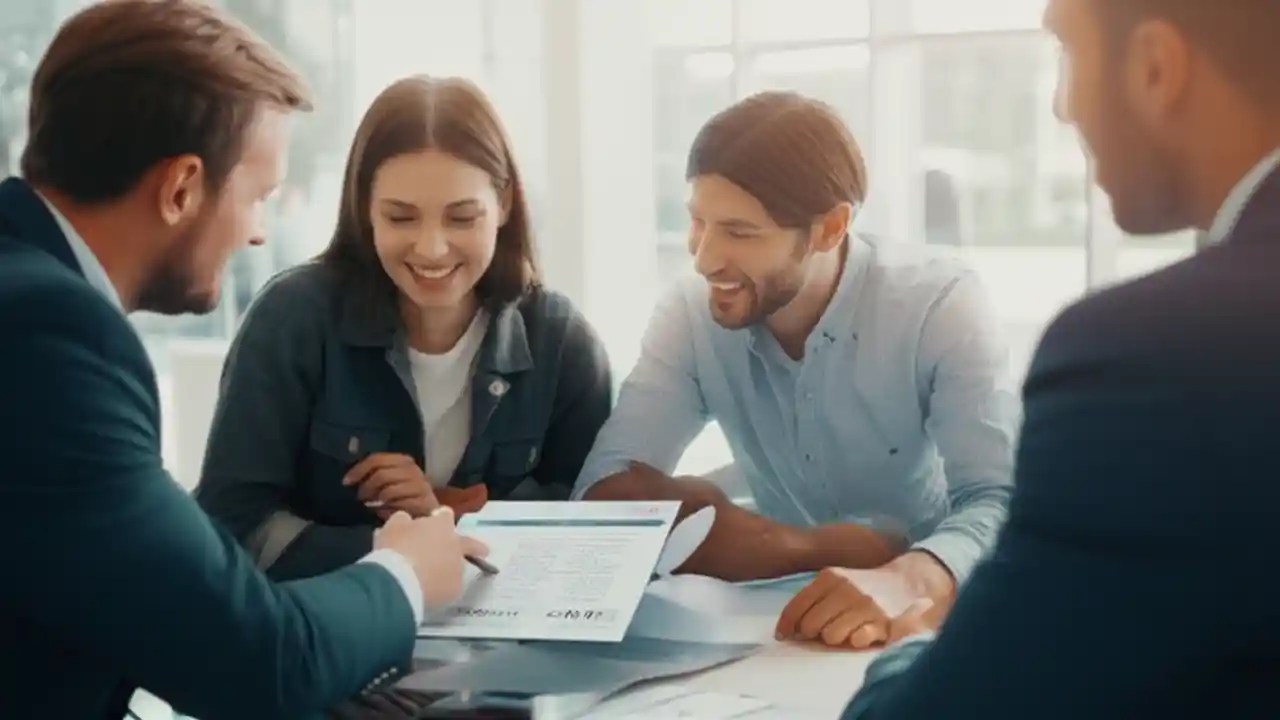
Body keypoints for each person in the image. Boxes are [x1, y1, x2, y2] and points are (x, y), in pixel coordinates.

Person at [0, 3, 486, 718]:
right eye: (258, 196)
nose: (259, 234)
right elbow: (258, 661)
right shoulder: (51, 337)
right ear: (181, 189)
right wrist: (408, 572)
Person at [843, 0, 1280, 717]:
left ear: (1154, 68)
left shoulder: (1148, 358)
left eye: (1068, 56)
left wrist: (916, 647)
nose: (1062, 105)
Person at [575, 91, 1019, 647]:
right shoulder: (689, 314)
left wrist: (904, 575)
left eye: (739, 232)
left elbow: (1000, 501)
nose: (704, 257)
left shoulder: (940, 304)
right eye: (697, 221)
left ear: (830, 228)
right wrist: (796, 548)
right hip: (769, 618)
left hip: (918, 620)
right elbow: (600, 494)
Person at [196, 76, 612, 580]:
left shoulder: (561, 342)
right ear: (365, 209)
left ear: (502, 205)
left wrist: (446, 513)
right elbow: (232, 526)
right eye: (401, 218)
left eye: (462, 218)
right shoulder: (292, 319)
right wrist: (394, 552)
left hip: (504, 642)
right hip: (332, 636)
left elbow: (594, 537)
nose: (432, 248)